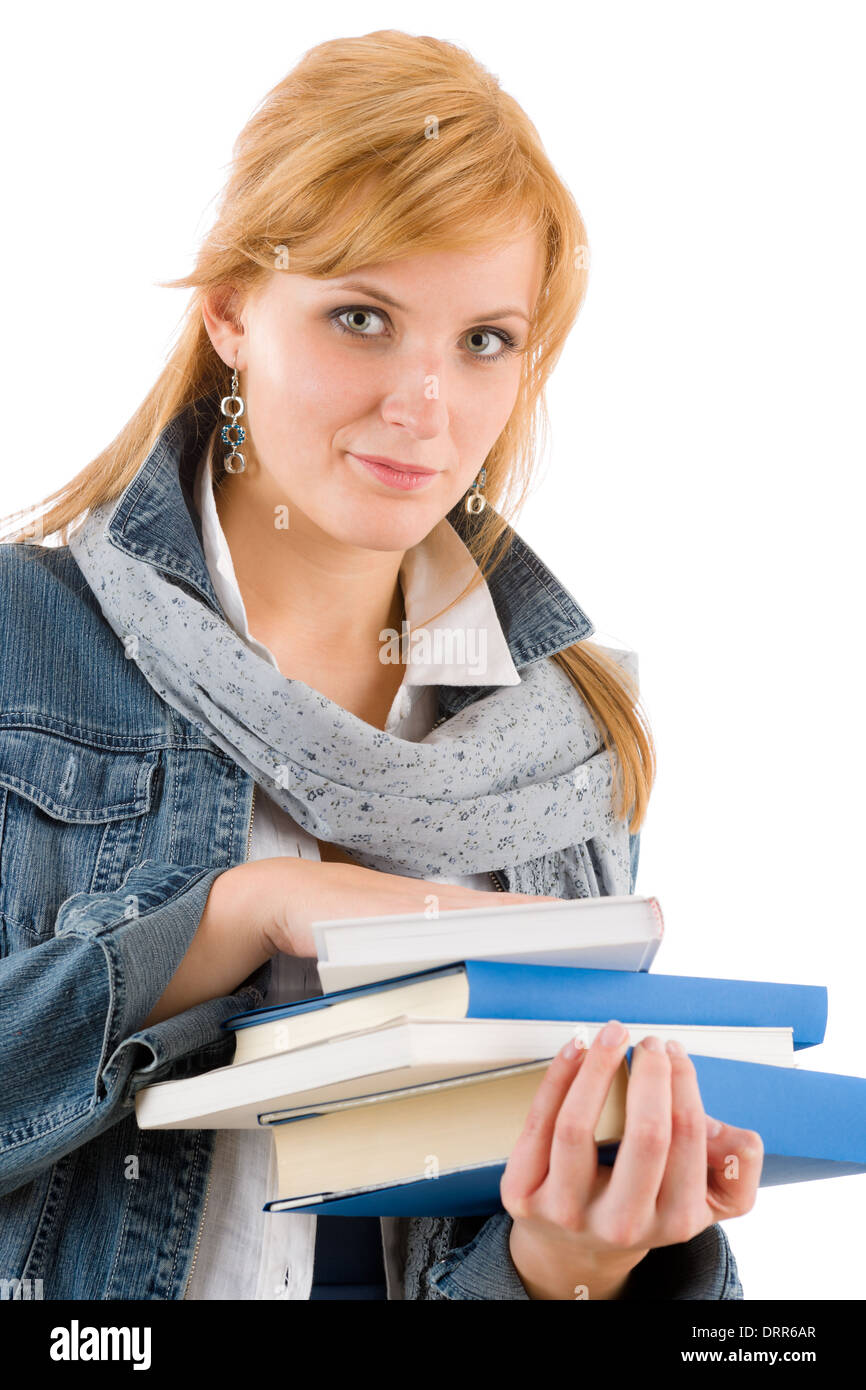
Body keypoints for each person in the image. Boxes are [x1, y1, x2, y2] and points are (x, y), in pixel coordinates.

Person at [0, 29, 761, 1302]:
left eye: (482, 340)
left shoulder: (563, 745)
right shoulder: (25, 644)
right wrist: (240, 917)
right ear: (232, 310)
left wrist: (570, 1262)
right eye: (363, 317)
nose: (426, 404)